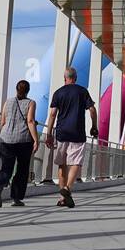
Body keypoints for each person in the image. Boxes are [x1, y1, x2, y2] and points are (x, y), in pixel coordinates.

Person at [44, 67, 97, 209]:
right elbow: (92, 110)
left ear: (65, 78)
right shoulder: (82, 91)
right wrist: (94, 126)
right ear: (76, 77)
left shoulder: (58, 93)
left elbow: (53, 114)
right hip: (77, 133)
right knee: (75, 163)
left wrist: (49, 134)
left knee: (62, 164)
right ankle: (67, 189)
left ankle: (62, 198)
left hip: (61, 133)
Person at [0, 79, 39, 208]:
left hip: (6, 139)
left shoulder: (7, 102)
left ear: (16, 89)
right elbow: (30, 121)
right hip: (23, 140)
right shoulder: (31, 103)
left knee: (6, 167)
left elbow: (2, 121)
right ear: (28, 90)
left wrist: (2, 135)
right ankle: (16, 198)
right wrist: (35, 139)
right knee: (22, 170)